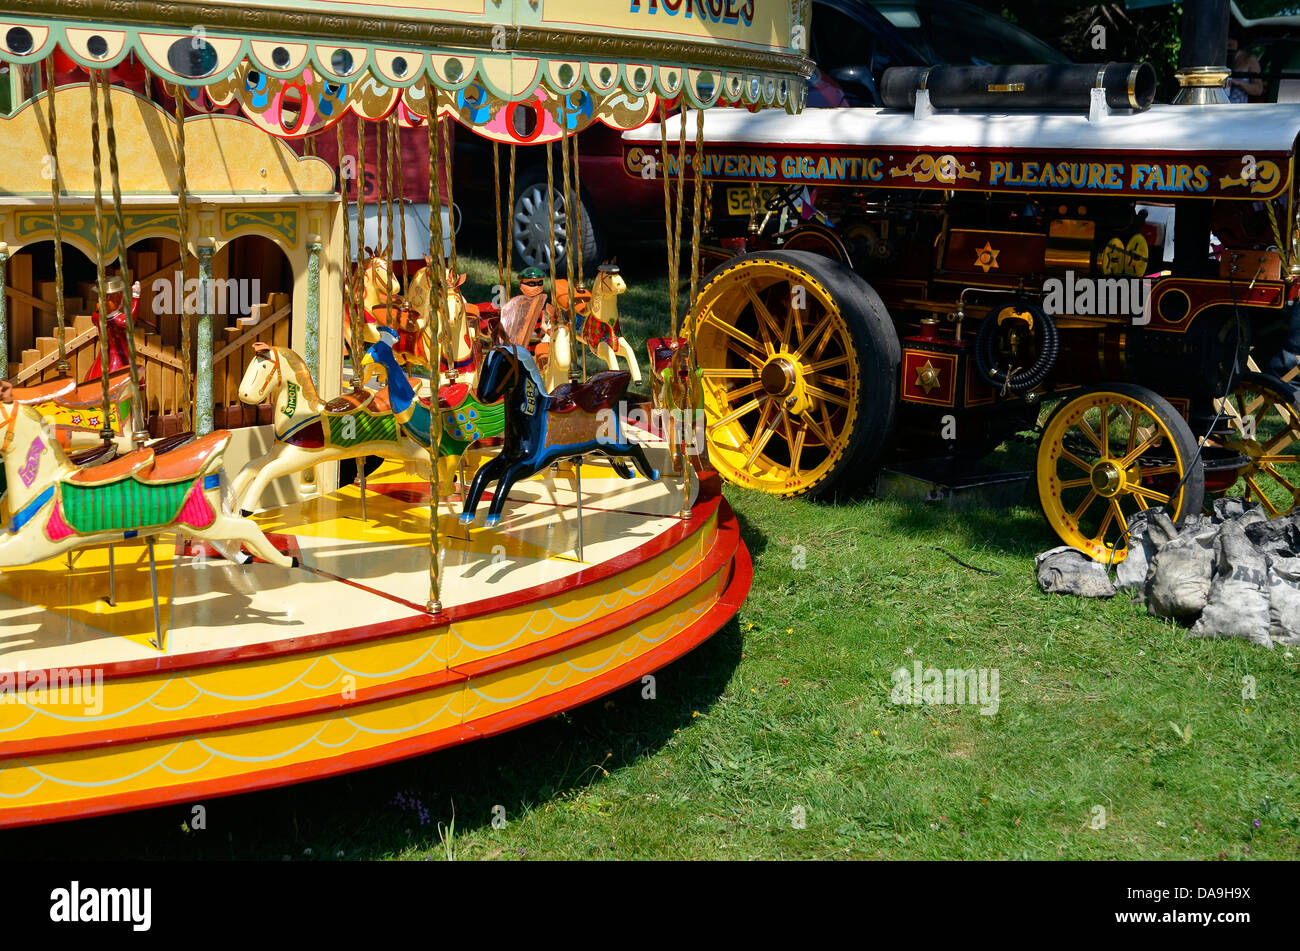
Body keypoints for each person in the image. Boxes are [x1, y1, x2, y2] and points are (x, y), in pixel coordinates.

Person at [84, 277, 141, 382]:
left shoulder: (96, 317)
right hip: (116, 358)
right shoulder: (117, 320)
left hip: (110, 356)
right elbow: (131, 318)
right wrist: (135, 298)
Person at [1227, 36, 1264, 103]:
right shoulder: (1216, 57)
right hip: (1217, 107)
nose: (1227, 41)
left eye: (1229, 45)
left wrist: (1238, 82)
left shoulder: (1250, 59)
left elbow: (1258, 90)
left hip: (1239, 108)